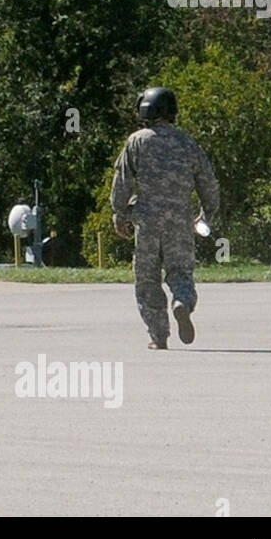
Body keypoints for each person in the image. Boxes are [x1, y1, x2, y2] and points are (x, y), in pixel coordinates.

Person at [110, 87, 221, 350]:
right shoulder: (186, 142)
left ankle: (158, 336)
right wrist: (206, 214)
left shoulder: (137, 141)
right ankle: (181, 302)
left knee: (147, 279)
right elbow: (208, 181)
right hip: (180, 222)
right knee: (181, 271)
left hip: (146, 223)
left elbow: (122, 181)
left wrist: (119, 213)